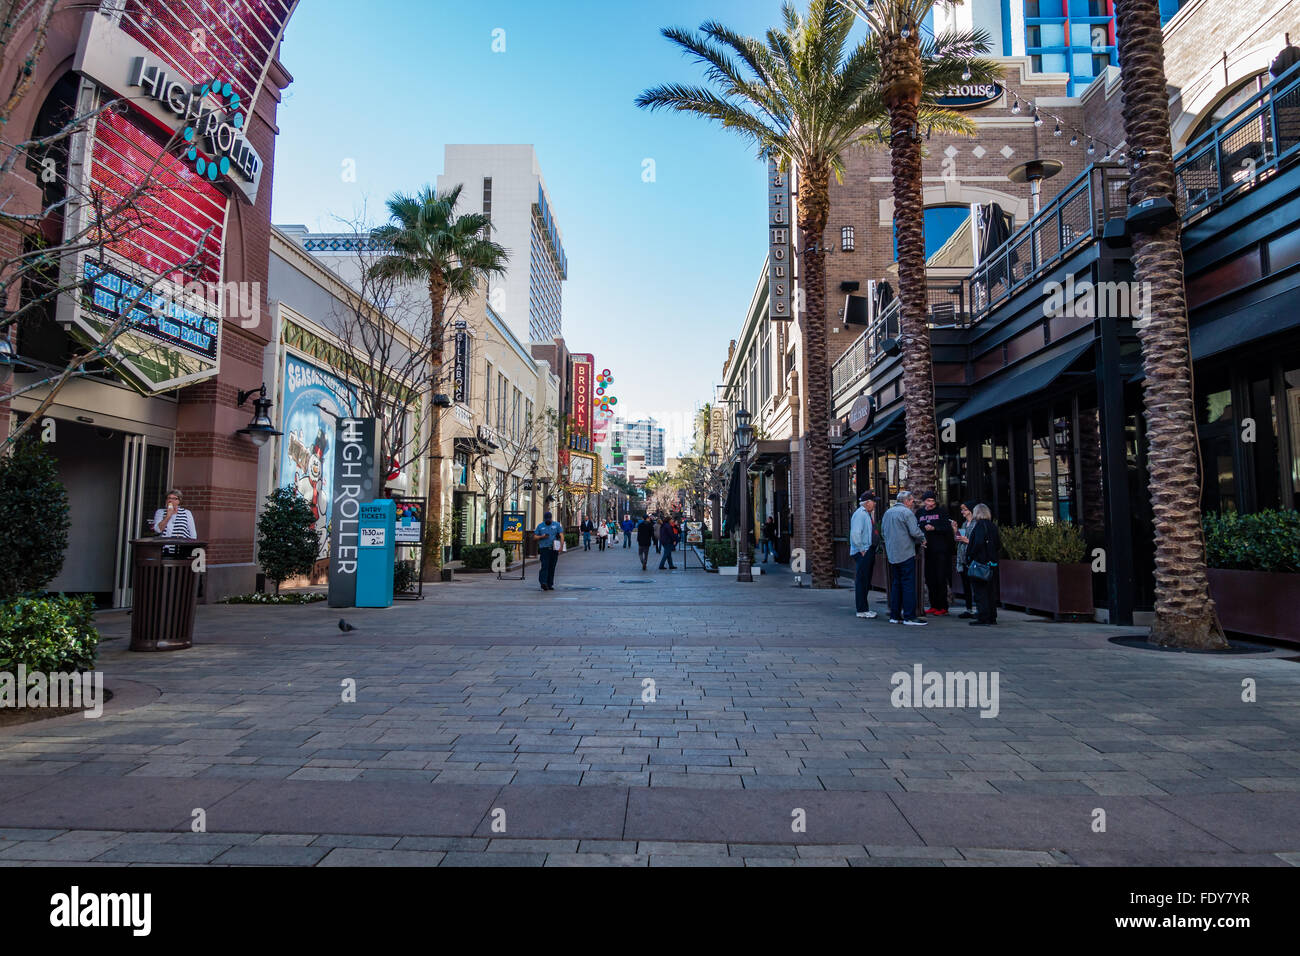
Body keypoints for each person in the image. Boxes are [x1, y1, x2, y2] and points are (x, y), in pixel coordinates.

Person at [880, 490, 927, 626]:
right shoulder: (907, 513)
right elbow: (914, 531)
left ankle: (895, 615)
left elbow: (883, 531)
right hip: (906, 553)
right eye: (912, 500)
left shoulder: (888, 513)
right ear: (906, 501)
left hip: (892, 554)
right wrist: (923, 538)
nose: (913, 503)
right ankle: (909, 616)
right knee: (908, 585)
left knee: (896, 584)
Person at [916, 491, 955, 616]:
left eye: (932, 501)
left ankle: (943, 606)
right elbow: (916, 527)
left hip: (940, 550)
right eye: (928, 501)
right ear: (924, 501)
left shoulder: (941, 512)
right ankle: (934, 605)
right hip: (926, 550)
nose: (931, 503)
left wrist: (935, 528)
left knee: (940, 578)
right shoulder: (920, 513)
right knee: (930, 579)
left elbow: (947, 528)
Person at [965, 503, 1001, 626]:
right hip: (992, 563)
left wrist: (970, 555)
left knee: (980, 592)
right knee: (990, 591)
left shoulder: (979, 526)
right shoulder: (992, 526)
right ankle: (992, 616)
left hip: (980, 562)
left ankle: (983, 617)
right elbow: (998, 544)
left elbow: (977, 543)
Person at [849, 491, 878, 619]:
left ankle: (864, 608)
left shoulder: (865, 514)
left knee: (865, 580)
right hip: (864, 551)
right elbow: (855, 533)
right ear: (867, 502)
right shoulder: (861, 515)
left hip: (865, 550)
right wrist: (862, 549)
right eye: (873, 501)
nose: (875, 503)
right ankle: (862, 609)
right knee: (862, 581)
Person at [953, 502, 978, 619]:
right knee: (966, 585)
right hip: (963, 557)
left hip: (972, 557)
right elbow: (959, 538)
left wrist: (966, 540)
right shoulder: (964, 524)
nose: (962, 512)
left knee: (975, 584)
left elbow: (975, 541)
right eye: (962, 509)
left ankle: (978, 608)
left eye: (965, 509)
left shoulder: (976, 524)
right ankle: (969, 609)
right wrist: (955, 530)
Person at [532, 511, 566, 591]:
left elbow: (561, 535)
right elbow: (534, 537)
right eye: (546, 519)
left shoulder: (556, 525)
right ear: (544, 519)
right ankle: (543, 582)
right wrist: (542, 536)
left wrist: (561, 546)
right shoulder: (540, 526)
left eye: (549, 519)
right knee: (545, 566)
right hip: (544, 549)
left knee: (552, 566)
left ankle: (550, 584)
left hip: (554, 549)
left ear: (551, 518)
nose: (548, 521)